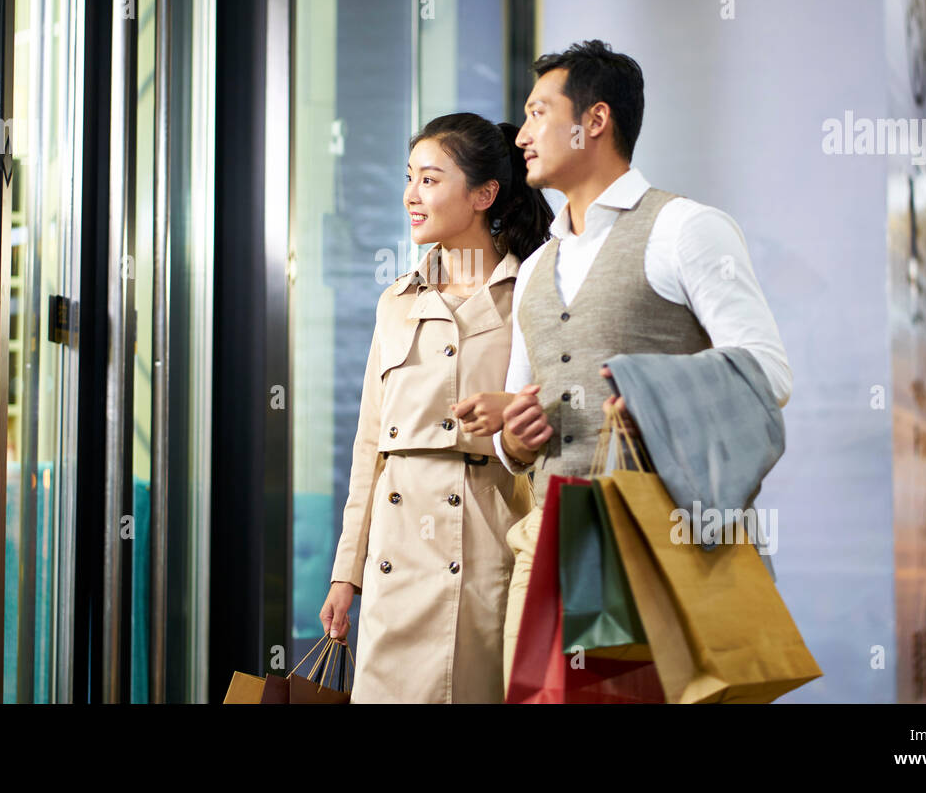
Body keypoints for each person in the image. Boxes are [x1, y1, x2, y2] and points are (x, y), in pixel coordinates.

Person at [494, 39, 793, 693]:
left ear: (593, 121)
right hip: (548, 543)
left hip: (661, 537)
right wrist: (511, 437)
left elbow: (767, 373)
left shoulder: (685, 227)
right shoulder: (538, 267)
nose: (521, 135)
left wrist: (654, 398)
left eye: (538, 113)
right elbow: (519, 418)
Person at [320, 112, 554, 703]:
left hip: (483, 544)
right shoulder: (395, 302)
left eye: (430, 179)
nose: (410, 196)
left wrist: (509, 421)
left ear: (484, 194)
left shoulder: (530, 293)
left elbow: (556, 419)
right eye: (409, 178)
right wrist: (346, 573)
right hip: (395, 559)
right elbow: (370, 444)